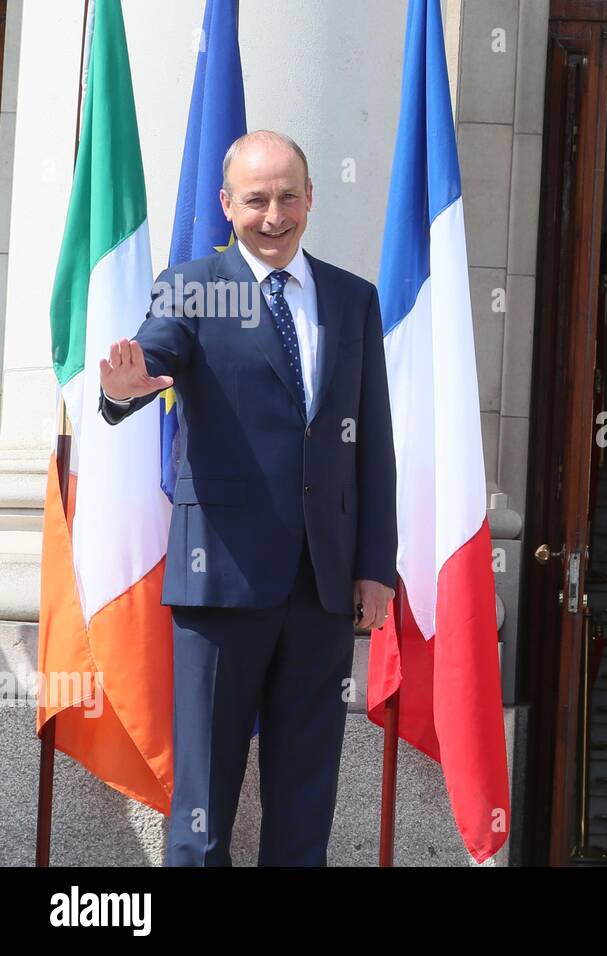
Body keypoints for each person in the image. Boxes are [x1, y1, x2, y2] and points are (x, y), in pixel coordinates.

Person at [97, 129, 397, 865]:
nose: (274, 214)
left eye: (288, 196)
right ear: (227, 204)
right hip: (221, 583)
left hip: (322, 589)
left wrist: (376, 567)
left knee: (305, 807)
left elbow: (374, 444)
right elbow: (153, 356)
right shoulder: (193, 285)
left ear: (311, 197)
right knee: (201, 812)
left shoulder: (354, 300)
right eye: (256, 199)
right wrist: (122, 390)